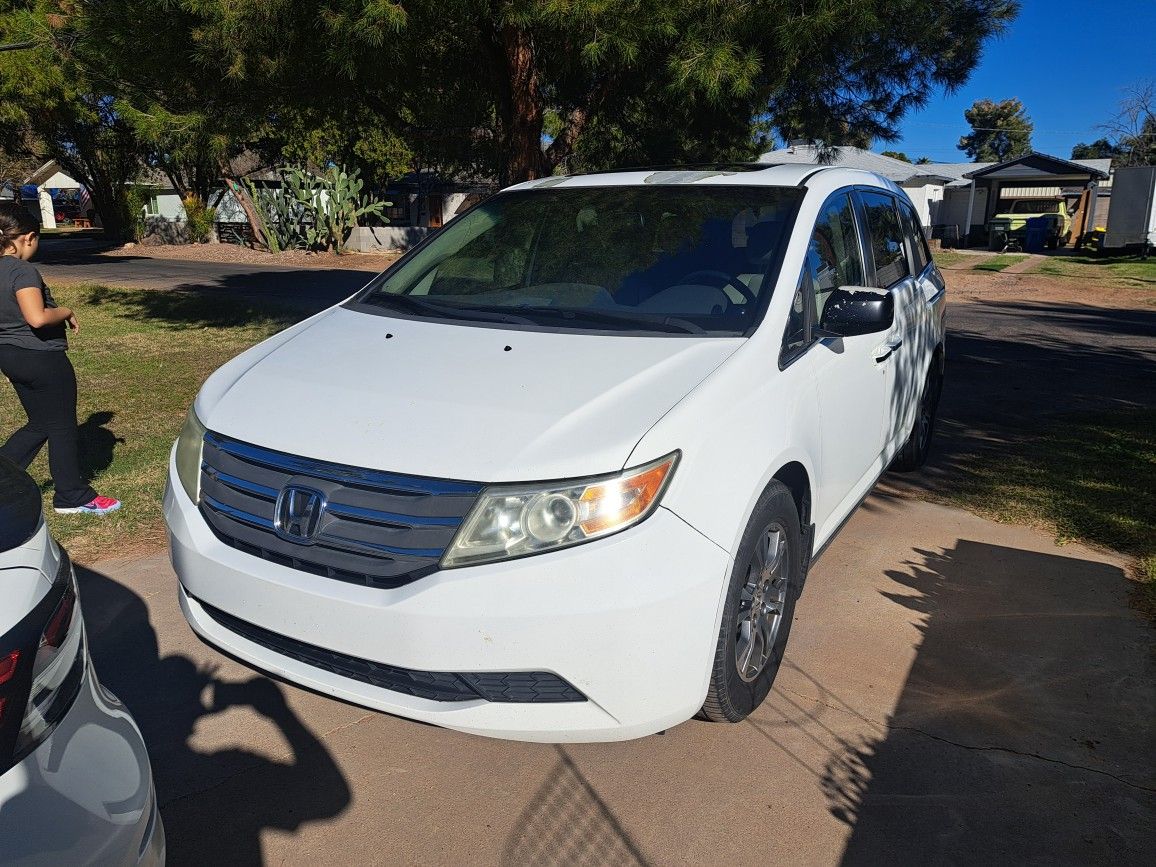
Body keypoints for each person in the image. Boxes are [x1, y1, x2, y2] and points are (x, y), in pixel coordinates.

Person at [0, 201, 120, 515]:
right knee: (63, 426)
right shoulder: (22, 270)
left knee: (40, 423)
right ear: (26, 238)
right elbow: (37, 318)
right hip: (42, 358)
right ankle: (71, 496)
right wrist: (66, 311)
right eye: (36, 240)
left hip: (10, 356)